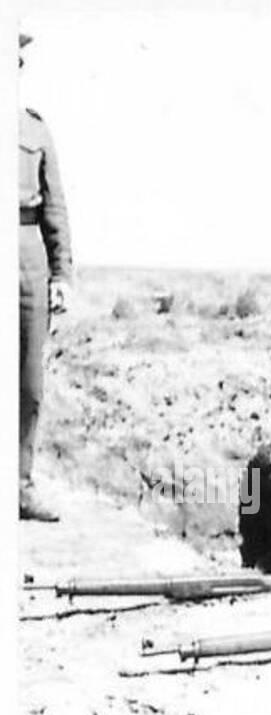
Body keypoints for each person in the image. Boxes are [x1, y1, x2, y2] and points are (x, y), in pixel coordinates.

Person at [18, 31, 73, 522]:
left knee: (29, 383)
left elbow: (54, 206)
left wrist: (61, 274)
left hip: (27, 256)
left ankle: (19, 485)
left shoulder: (34, 129)